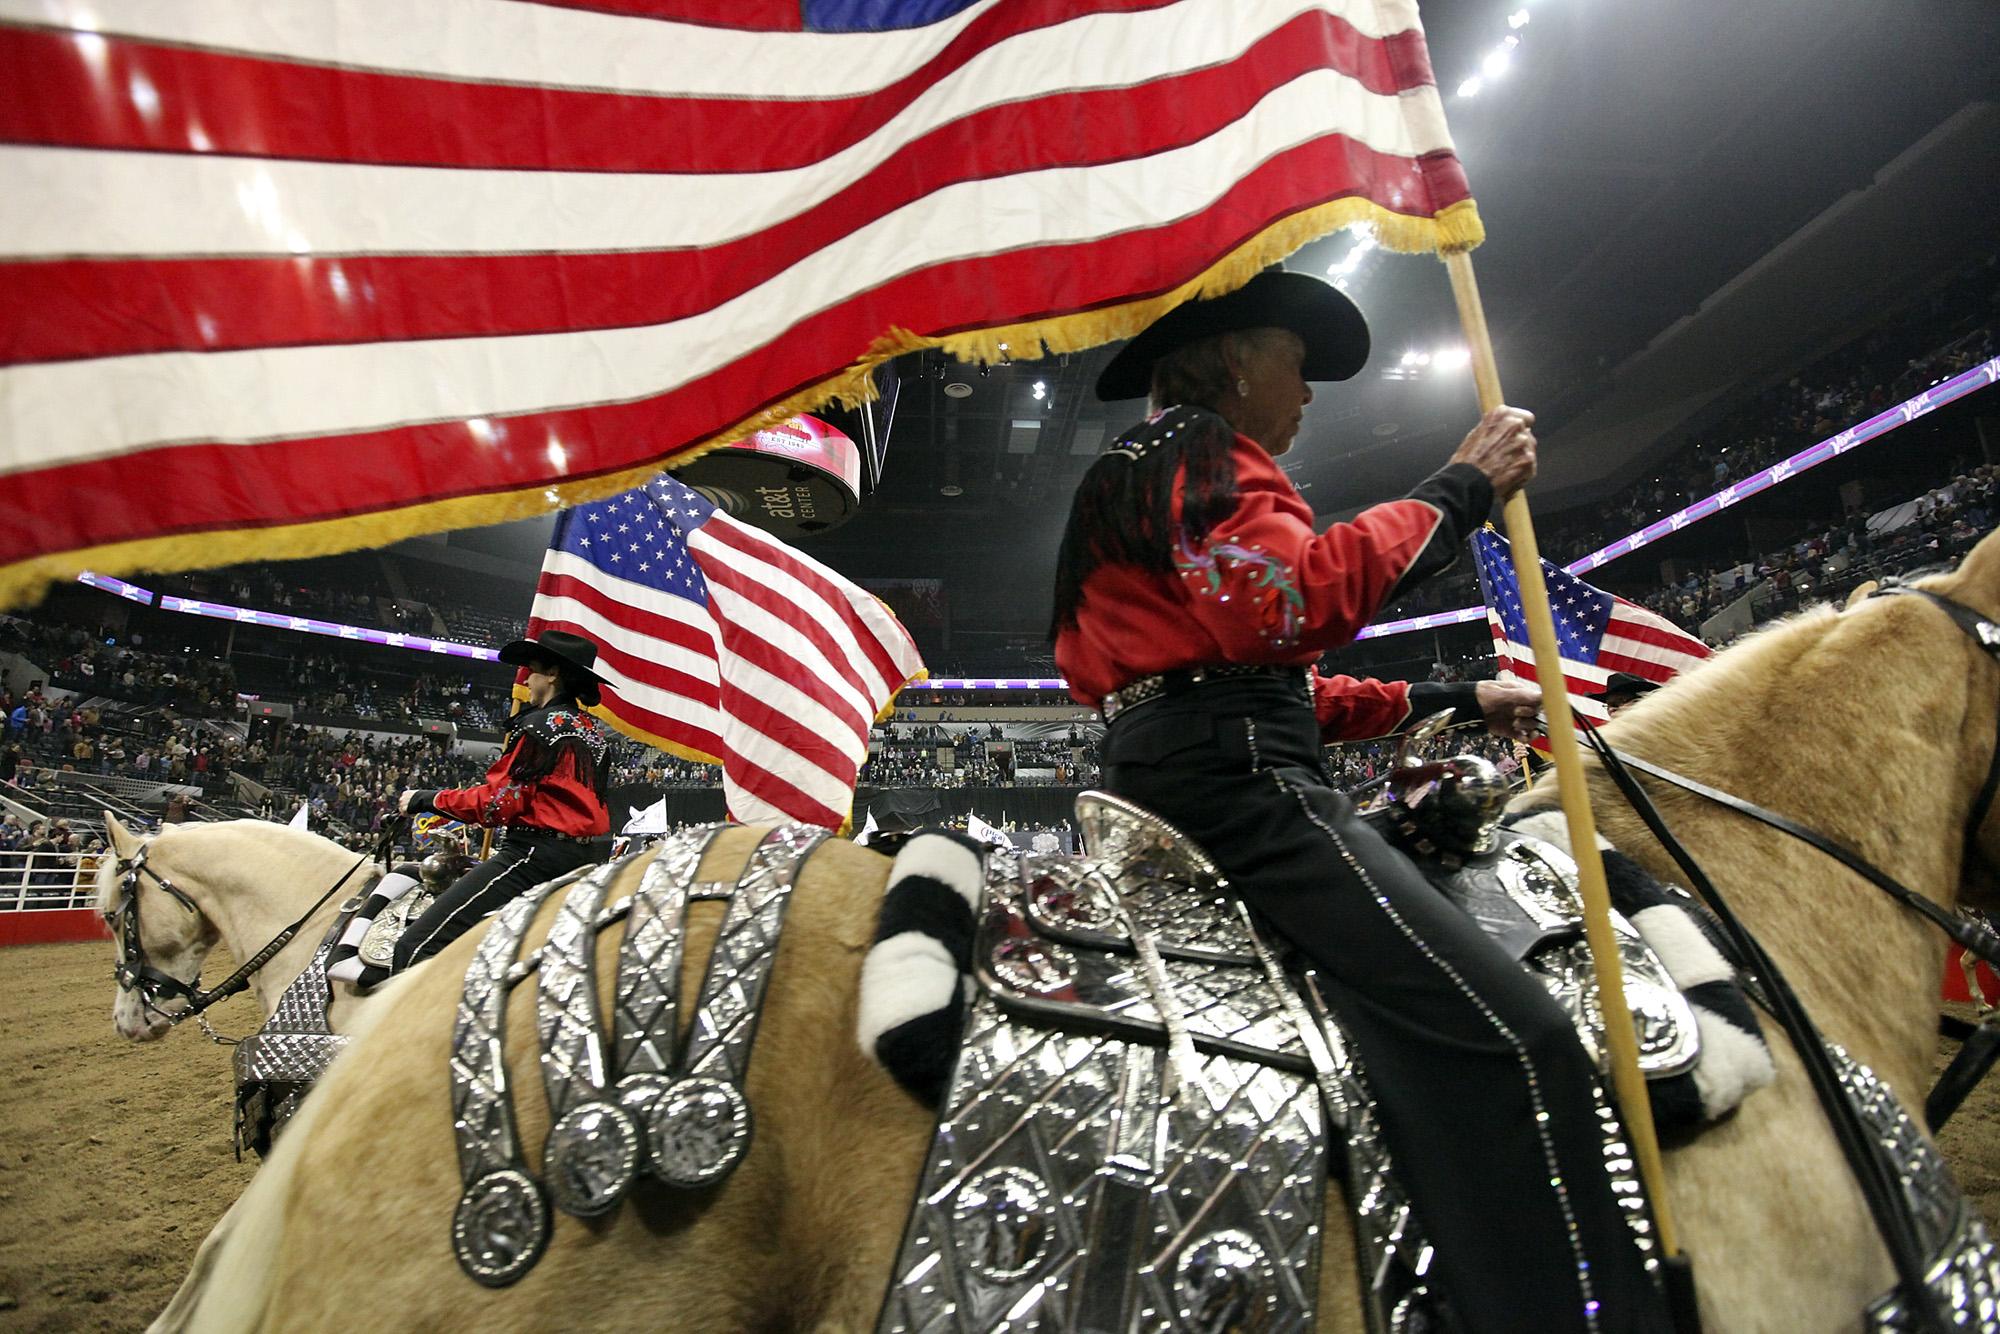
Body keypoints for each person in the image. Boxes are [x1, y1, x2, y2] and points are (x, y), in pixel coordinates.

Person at [1051, 269, 1666, 1333]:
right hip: (1241, 789)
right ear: (1239, 358)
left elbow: (1261, 676)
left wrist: (1451, 693)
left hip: (1189, 760)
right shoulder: (1202, 453)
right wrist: (1457, 488)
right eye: (1296, 362)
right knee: (1516, 1036)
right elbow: (1292, 605)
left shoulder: (1135, 475)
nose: (1308, 393)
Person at [378, 630, 614, 979]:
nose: (527, 679)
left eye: (532, 670)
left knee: (415, 946)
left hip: (534, 856)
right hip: (588, 859)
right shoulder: (594, 734)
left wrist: (426, 800)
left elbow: (496, 805)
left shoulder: (538, 727)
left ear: (552, 675)